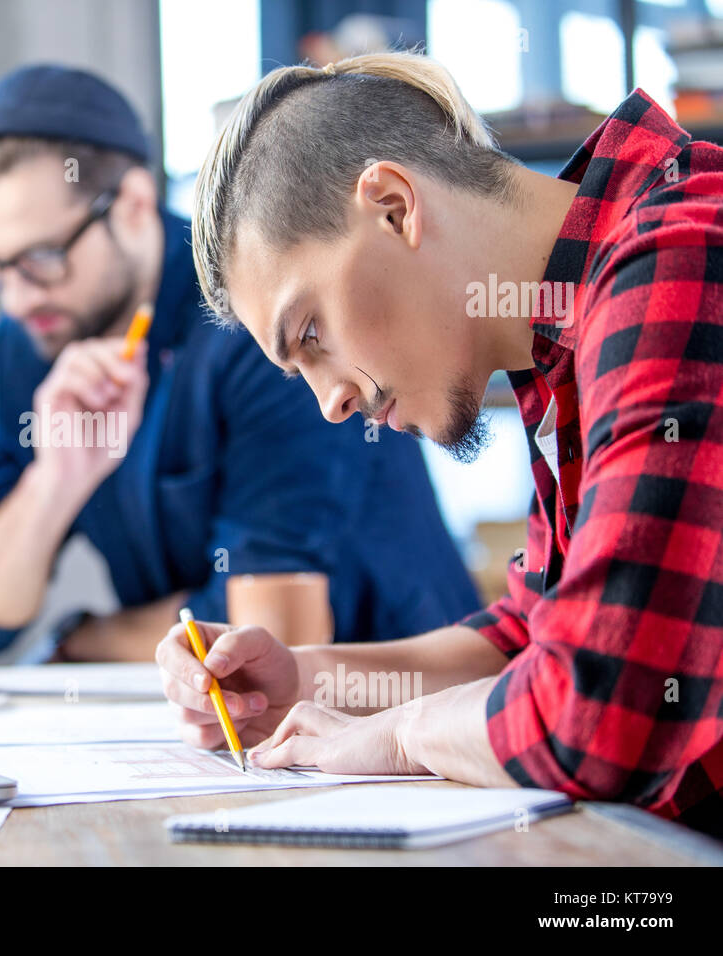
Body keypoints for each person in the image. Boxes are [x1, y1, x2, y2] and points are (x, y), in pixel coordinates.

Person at [161, 52, 723, 837]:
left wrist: (396, 735)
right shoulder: (569, 317)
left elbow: (603, 708)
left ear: (392, 206)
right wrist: (306, 681)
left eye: (312, 334)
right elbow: (534, 633)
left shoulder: (679, 259)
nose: (331, 403)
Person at [0, 64, 479, 662]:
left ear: (134, 204)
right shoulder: (31, 335)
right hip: (202, 711)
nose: (15, 297)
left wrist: (81, 641)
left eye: (41, 258)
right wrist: (53, 484)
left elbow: (261, 622)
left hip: (392, 688)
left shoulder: (257, 313)